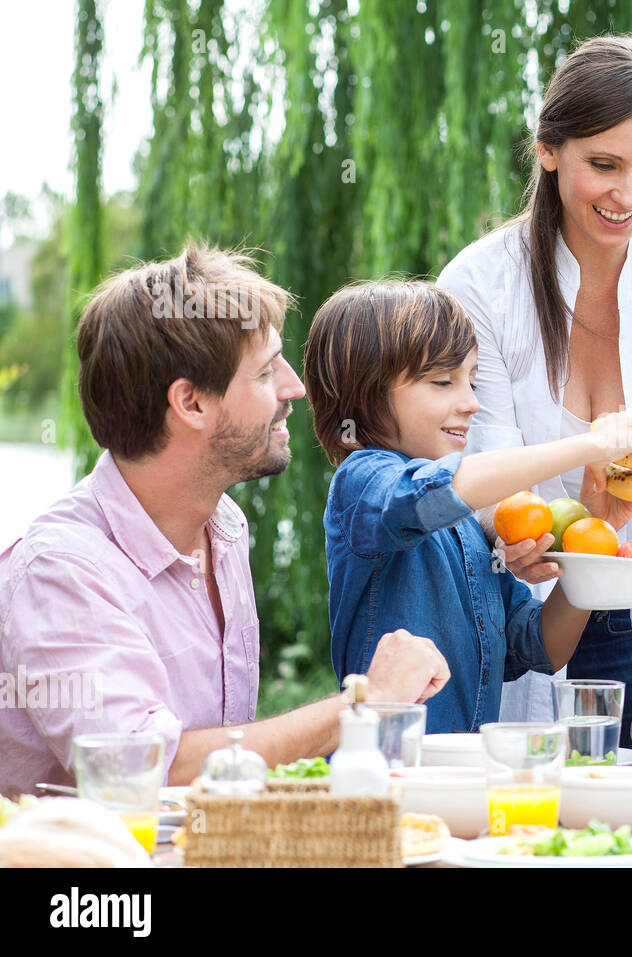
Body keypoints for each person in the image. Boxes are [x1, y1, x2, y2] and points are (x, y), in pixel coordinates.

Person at [0, 243, 449, 795]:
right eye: (265, 373)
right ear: (190, 404)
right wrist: (364, 701)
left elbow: (217, 769)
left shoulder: (224, 527)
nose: (295, 388)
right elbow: (144, 770)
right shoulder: (63, 571)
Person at [437, 35, 632, 742]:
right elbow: (480, 483)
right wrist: (538, 530)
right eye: (603, 165)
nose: (628, 194)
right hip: (522, 611)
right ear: (548, 149)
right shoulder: (477, 286)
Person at [302, 280, 632, 733]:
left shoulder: (466, 527)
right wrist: (590, 445)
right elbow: (435, 493)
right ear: (367, 391)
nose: (471, 403)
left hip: (464, 781)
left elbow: (542, 647)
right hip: (393, 782)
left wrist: (588, 537)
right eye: (442, 382)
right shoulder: (364, 482)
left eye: (471, 380)